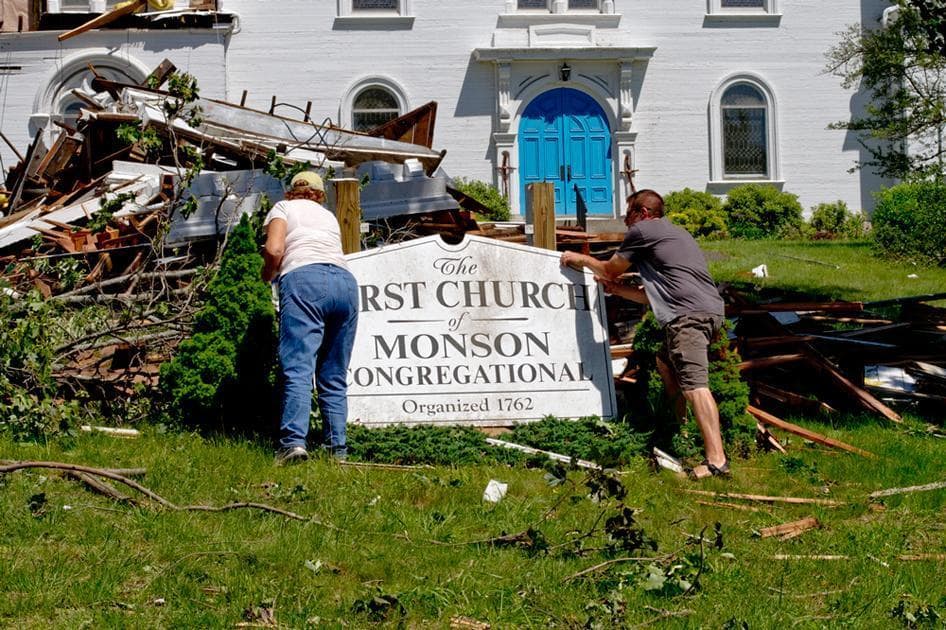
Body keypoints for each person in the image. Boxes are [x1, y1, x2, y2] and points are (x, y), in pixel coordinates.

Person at [560, 189, 728, 478]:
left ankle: (716, 460)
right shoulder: (677, 235)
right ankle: (681, 431)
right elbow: (655, 295)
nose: (626, 223)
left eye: (629, 215)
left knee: (695, 385)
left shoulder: (644, 230)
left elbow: (611, 269)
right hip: (709, 312)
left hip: (687, 318)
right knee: (666, 363)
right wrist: (618, 291)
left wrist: (580, 259)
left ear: (644, 213)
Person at [262, 171, 359, 464]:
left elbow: (275, 248)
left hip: (304, 279)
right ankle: (337, 450)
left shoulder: (284, 208)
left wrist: (267, 273)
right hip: (345, 283)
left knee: (299, 366)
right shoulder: (327, 216)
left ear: (290, 191)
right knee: (333, 373)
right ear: (320, 194)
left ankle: (293, 443)